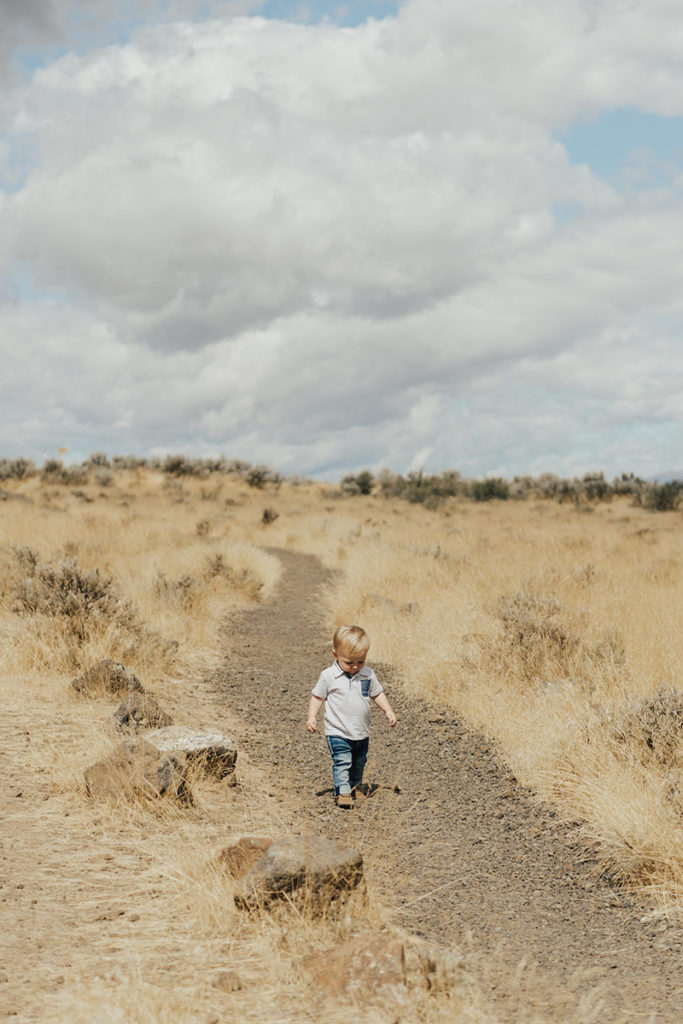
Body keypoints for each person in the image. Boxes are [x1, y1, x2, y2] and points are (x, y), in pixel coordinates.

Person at [306, 624, 397, 809]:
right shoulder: (329, 676)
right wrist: (312, 716)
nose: (355, 667)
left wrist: (388, 710)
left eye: (360, 661)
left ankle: (355, 787)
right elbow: (317, 697)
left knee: (359, 761)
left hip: (361, 731)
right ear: (335, 655)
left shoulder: (367, 674)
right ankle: (343, 792)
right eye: (349, 662)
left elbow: (377, 693)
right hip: (337, 731)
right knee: (343, 761)